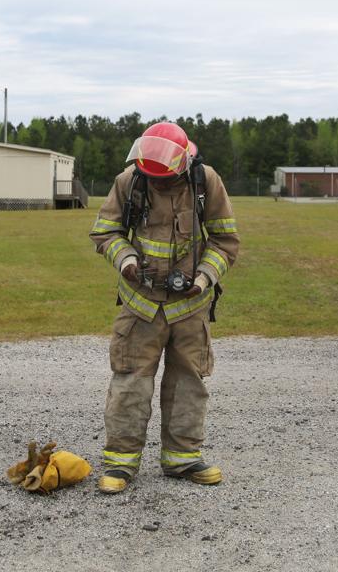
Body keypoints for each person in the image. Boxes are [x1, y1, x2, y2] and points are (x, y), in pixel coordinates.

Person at [88, 122, 240, 494]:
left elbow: (225, 240)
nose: (155, 181)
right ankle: (120, 464)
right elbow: (104, 231)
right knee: (130, 382)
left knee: (188, 382)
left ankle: (182, 459)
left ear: (183, 162)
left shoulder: (206, 182)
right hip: (140, 306)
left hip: (190, 308)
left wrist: (203, 278)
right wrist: (124, 260)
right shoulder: (130, 180)